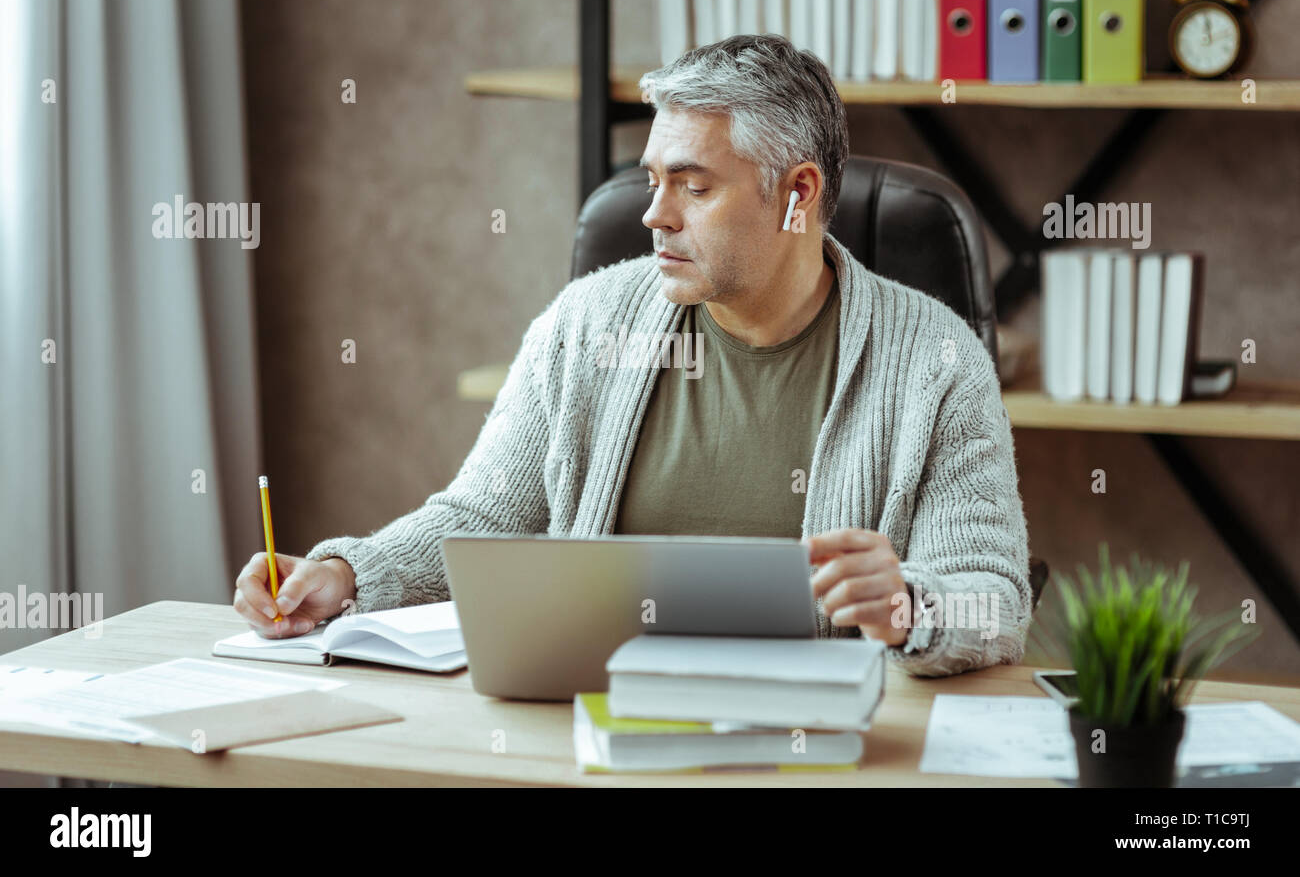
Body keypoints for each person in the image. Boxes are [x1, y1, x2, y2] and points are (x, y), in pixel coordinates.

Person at [233, 33, 1031, 677]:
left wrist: (910, 606)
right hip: (602, 723)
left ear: (798, 193)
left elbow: (994, 600)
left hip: (822, 747)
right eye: (652, 180)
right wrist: (347, 576)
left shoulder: (935, 362)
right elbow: (481, 520)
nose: (653, 214)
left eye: (693, 186)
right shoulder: (587, 324)